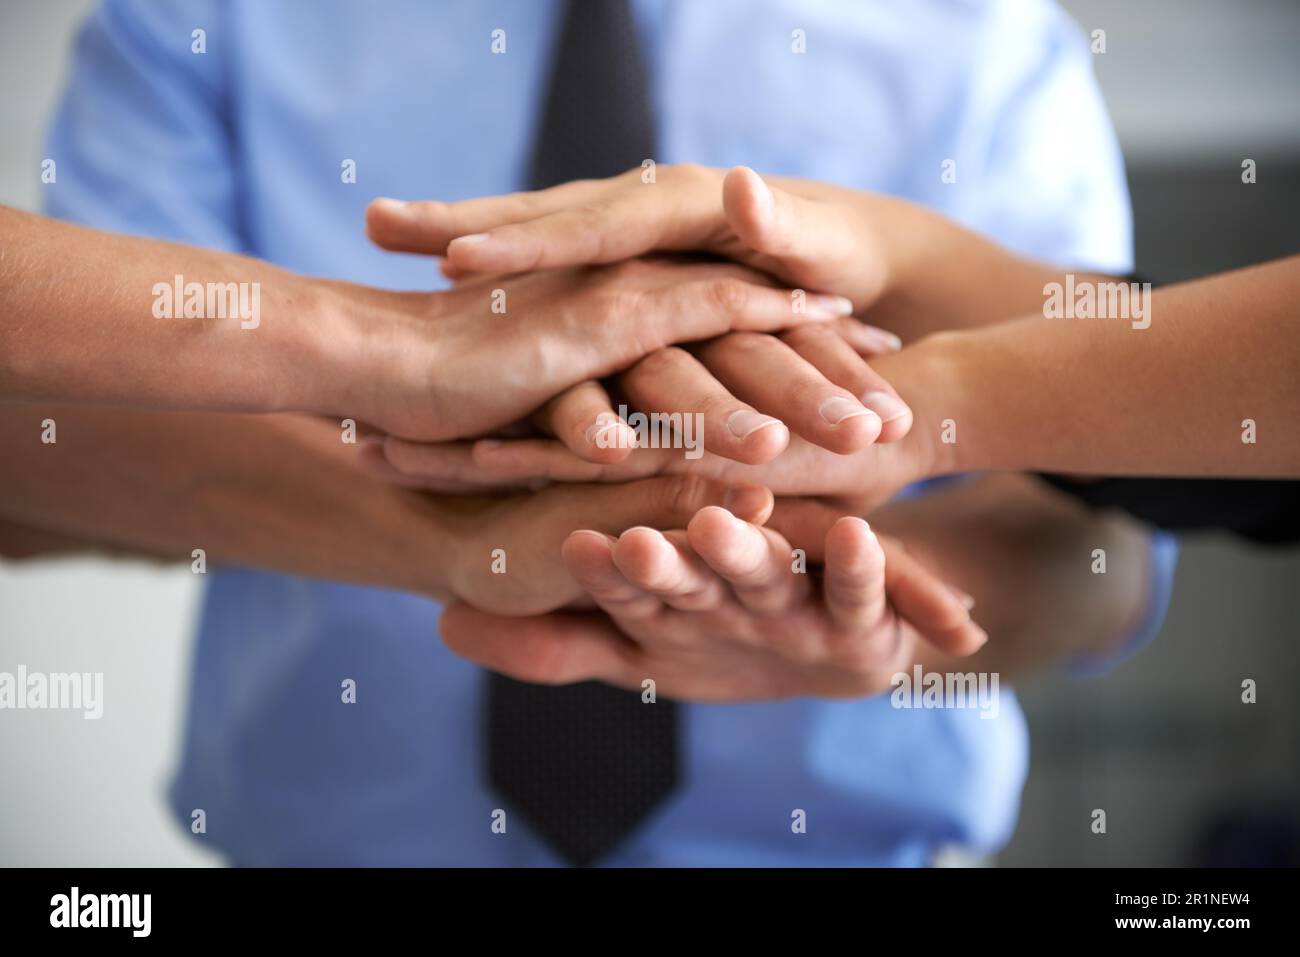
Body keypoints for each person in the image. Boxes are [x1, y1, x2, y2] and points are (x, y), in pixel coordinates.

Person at [24, 0, 1173, 866]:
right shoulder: (200, 14)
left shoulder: (987, 35)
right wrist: (448, 519)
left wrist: (857, 606)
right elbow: (46, 445)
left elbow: (1111, 551)